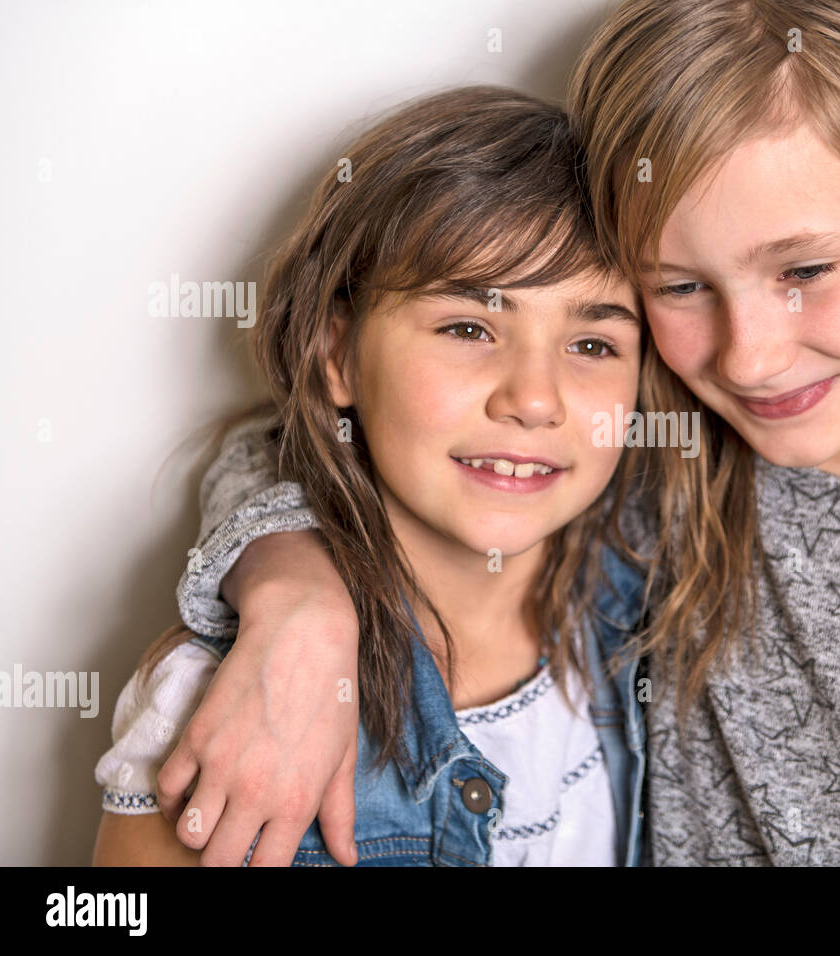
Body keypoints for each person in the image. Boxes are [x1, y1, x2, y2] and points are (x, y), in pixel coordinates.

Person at [139, 0, 840, 866]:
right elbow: (327, 436)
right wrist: (294, 592)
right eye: (678, 285)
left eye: (804, 268)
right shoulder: (664, 481)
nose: (750, 357)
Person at [93, 86, 653, 866]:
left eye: (593, 346)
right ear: (338, 355)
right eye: (468, 328)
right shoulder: (230, 704)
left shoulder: (659, 613)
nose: (534, 399)